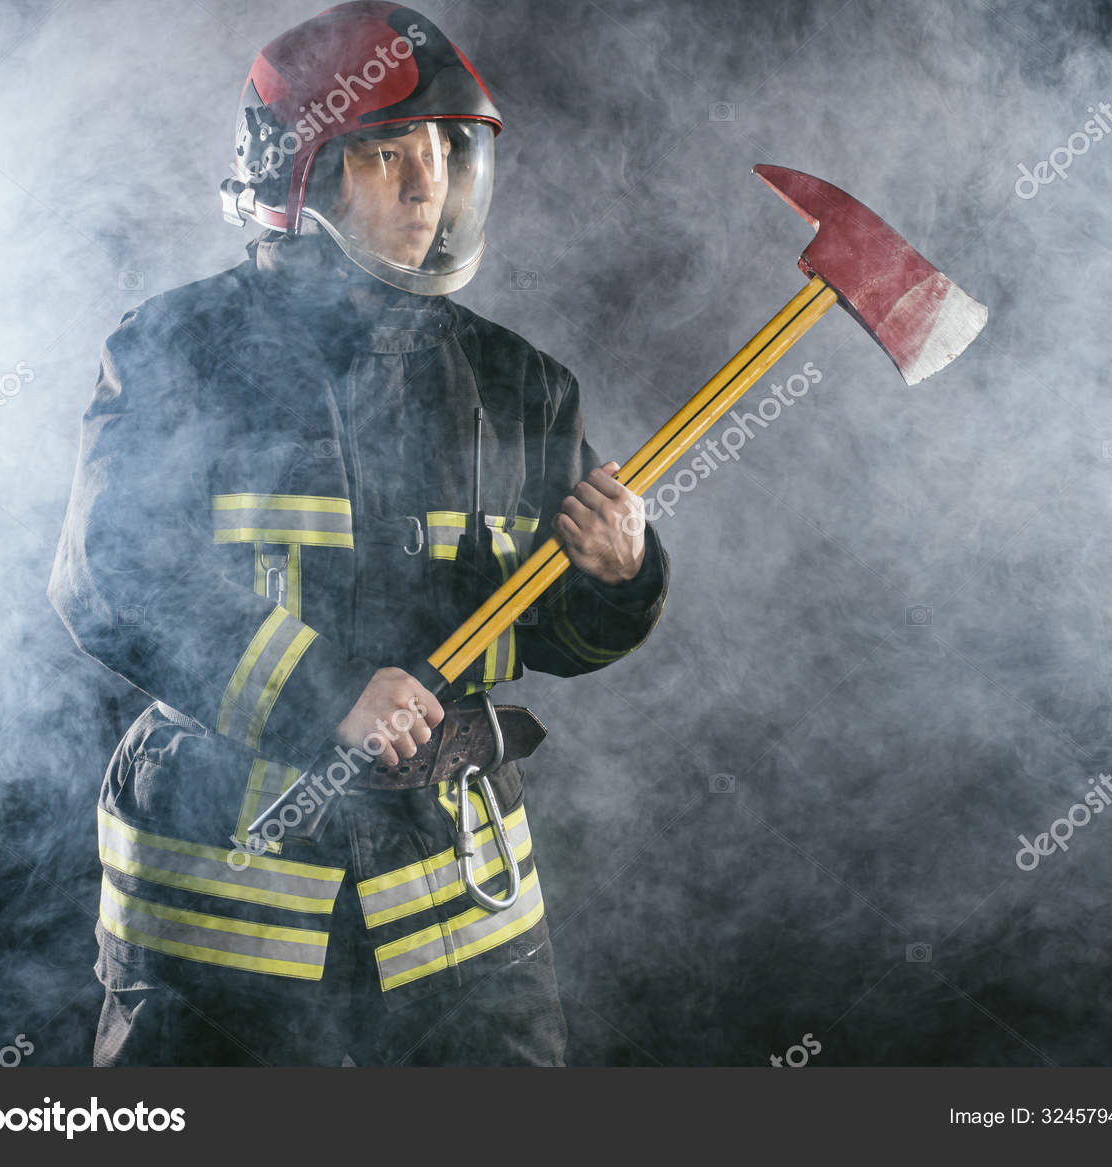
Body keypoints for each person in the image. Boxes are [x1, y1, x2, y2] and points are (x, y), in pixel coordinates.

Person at [48, 1, 669, 1066]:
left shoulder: (522, 385)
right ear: (300, 179)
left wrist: (620, 576)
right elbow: (111, 576)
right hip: (222, 916)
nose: (429, 187)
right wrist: (326, 691)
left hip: (459, 909)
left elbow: (561, 635)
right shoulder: (174, 352)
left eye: (445, 154)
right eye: (388, 154)